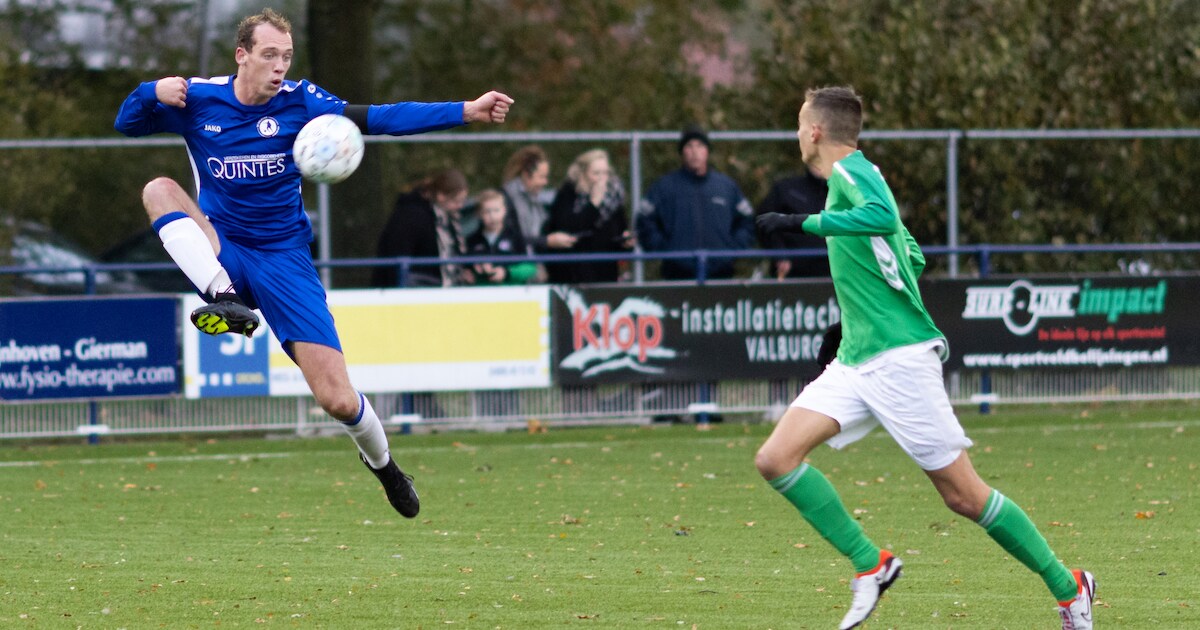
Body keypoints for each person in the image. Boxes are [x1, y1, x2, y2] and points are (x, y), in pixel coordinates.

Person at [113, 8, 513, 519]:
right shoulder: (199, 99)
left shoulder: (303, 101)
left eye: (286, 56)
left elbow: (381, 118)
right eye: (269, 55)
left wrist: (466, 110)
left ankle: (386, 467)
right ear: (242, 55)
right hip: (225, 250)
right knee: (158, 189)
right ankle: (223, 298)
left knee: (339, 401)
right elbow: (126, 123)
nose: (280, 66)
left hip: (285, 261)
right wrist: (150, 92)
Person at [754, 86, 1095, 630]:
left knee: (964, 496)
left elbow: (883, 217)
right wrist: (859, 316)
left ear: (816, 131)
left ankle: (1069, 586)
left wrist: (803, 225)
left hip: (898, 362)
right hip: (856, 358)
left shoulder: (850, 175)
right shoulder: (855, 177)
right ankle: (872, 565)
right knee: (776, 458)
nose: (798, 133)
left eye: (800, 123)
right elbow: (911, 252)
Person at [635, 124, 755, 281]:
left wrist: (732, 250)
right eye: (689, 146)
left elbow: (748, 220)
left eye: (700, 146)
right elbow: (644, 221)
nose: (695, 152)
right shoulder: (664, 187)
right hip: (677, 276)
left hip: (721, 275)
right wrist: (665, 249)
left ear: (707, 151)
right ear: (682, 152)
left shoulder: (726, 186)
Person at [544, 149, 633, 284]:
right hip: (571, 274)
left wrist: (626, 243)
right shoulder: (568, 194)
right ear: (583, 173)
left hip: (605, 274)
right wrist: (593, 203)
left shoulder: (613, 199)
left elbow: (618, 233)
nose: (602, 178)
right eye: (596, 173)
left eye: (605, 173)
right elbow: (569, 228)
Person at [373, 168, 470, 288]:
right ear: (441, 196)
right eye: (456, 201)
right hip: (417, 289)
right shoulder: (412, 216)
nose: (460, 206)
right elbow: (397, 255)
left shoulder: (448, 219)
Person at [755, 166, 830, 279]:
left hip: (834, 275)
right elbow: (764, 222)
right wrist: (780, 254)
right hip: (792, 274)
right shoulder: (785, 188)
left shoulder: (844, 193)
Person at [501, 145, 575, 256]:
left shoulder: (536, 201)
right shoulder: (506, 199)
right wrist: (546, 241)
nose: (545, 182)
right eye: (541, 177)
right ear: (526, 175)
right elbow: (509, 238)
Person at [463, 188, 537, 285]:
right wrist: (470, 273)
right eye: (487, 212)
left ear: (504, 210)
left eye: (496, 210)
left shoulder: (516, 237)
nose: (492, 216)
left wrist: (507, 273)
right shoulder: (471, 241)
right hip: (481, 296)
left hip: (513, 296)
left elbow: (531, 268)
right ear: (478, 214)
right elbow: (464, 267)